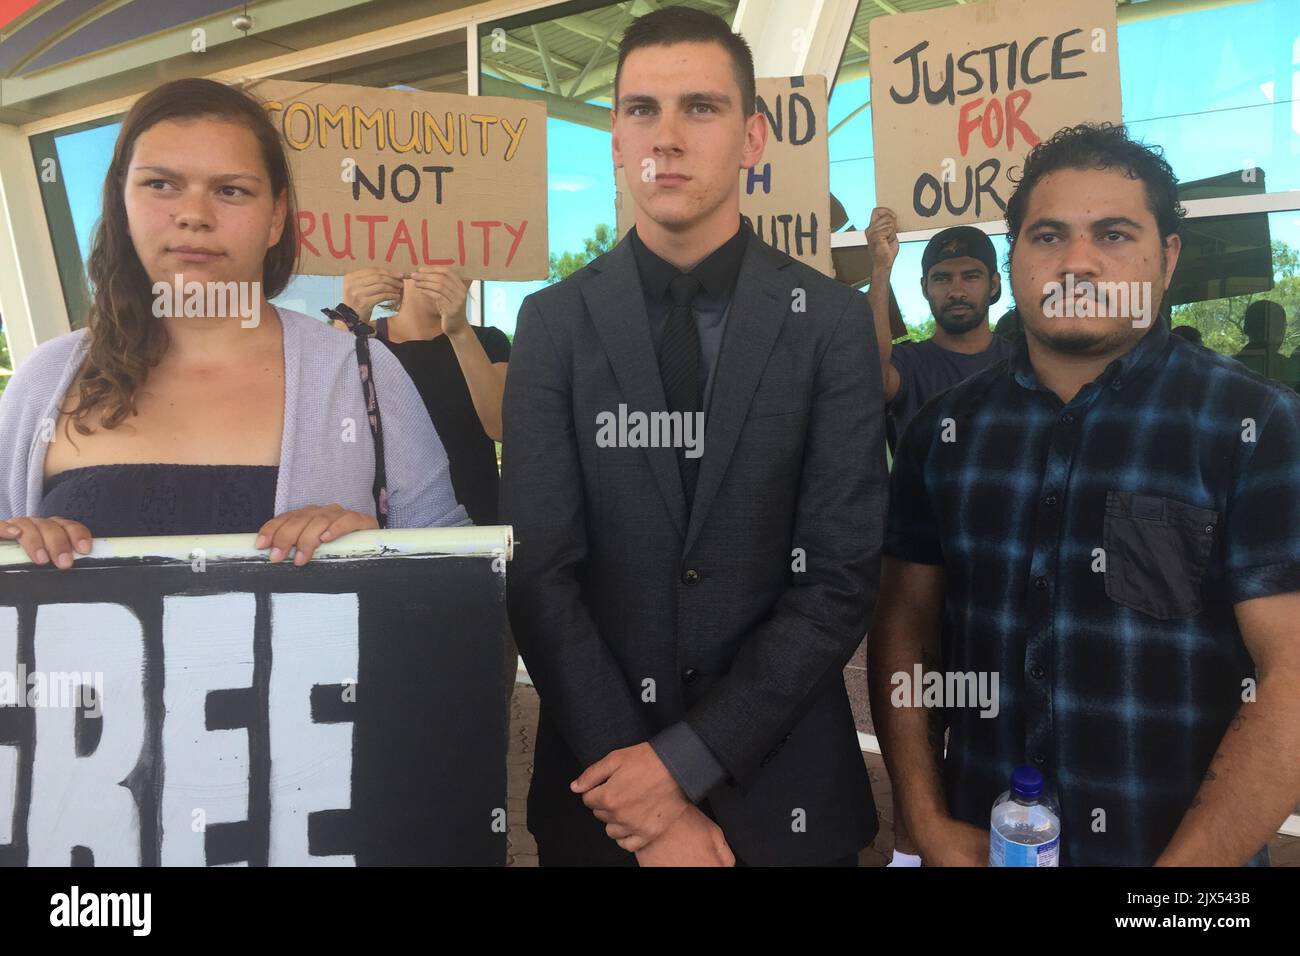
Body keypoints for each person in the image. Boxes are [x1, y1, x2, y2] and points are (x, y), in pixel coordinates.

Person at [500, 5, 886, 867]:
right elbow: (538, 571)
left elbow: (839, 574)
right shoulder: (552, 323)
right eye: (642, 109)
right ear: (613, 138)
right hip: (602, 807)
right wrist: (654, 805)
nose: (665, 137)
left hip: (787, 801)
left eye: (699, 109)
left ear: (753, 138)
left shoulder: (827, 322)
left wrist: (686, 763)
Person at [869, 122, 1300, 866]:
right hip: (980, 843)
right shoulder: (944, 433)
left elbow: (1291, 671)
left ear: (1165, 258)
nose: (1077, 262)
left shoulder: (1252, 425)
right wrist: (922, 818)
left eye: (1113, 234)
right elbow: (906, 627)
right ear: (1016, 259)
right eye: (1047, 237)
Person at [0, 78, 466, 569]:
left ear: (276, 217)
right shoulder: (46, 381)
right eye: (160, 184)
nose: (194, 215)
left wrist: (383, 553)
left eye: (231, 190)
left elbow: (460, 569)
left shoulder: (359, 372)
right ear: (120, 202)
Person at [339, 267, 509, 525]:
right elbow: (322, 419)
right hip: (379, 532)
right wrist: (345, 321)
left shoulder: (488, 341)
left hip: (477, 531)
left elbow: (501, 426)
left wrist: (460, 331)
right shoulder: (360, 340)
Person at [866, 209, 1015, 448]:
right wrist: (881, 266)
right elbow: (872, 380)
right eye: (942, 278)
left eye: (971, 276)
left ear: (994, 284)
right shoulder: (910, 364)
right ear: (925, 287)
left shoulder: (1023, 362)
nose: (956, 291)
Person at [1234, 299, 1298, 389]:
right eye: (1283, 326)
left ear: (1246, 328)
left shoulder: (1228, 367)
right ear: (1279, 330)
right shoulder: (1289, 369)